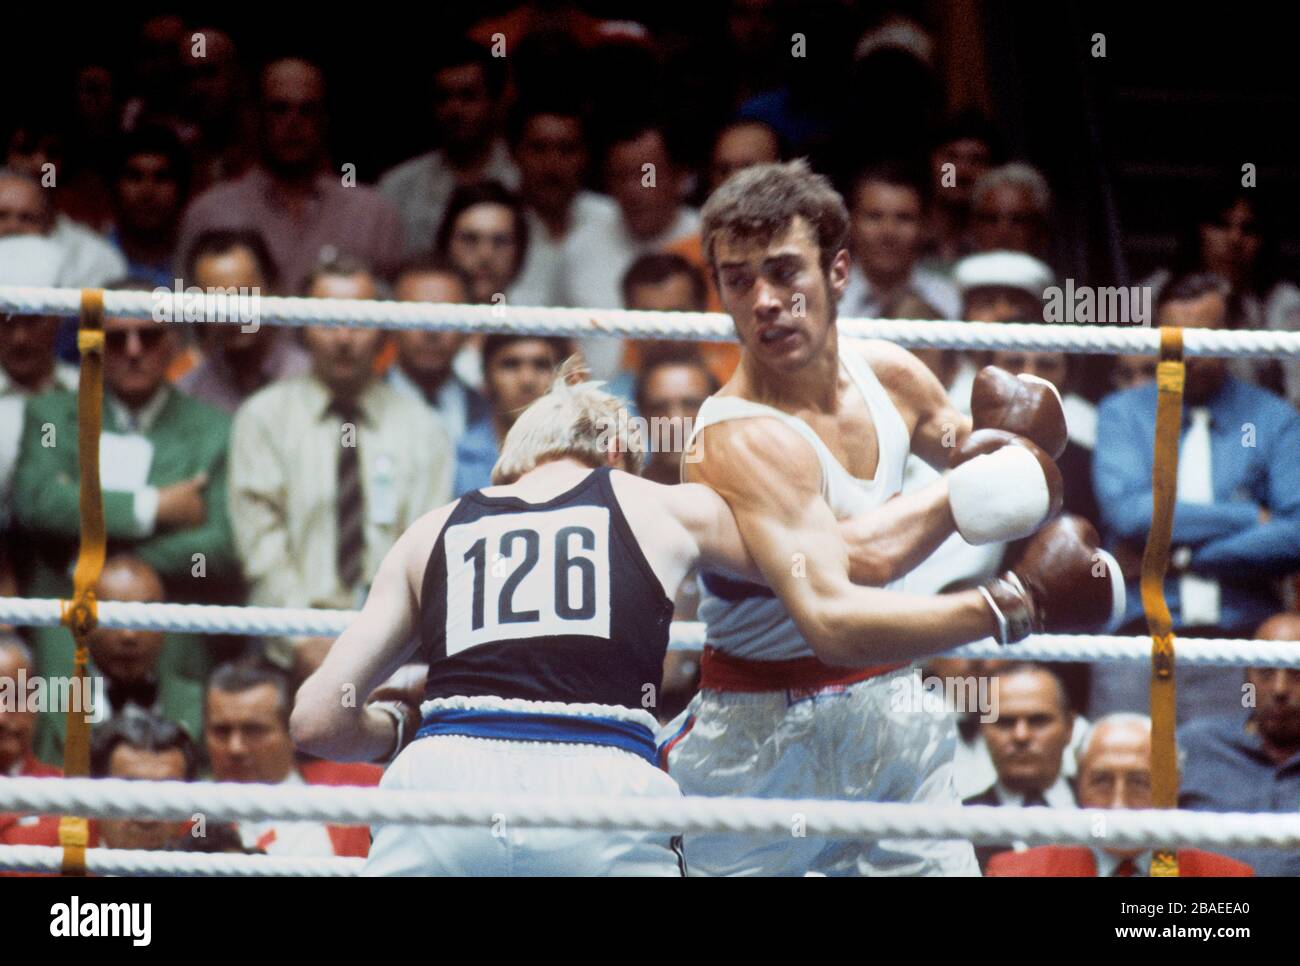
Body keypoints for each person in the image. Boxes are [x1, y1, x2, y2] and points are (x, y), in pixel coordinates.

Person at [292, 360, 1121, 876]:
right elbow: (841, 563)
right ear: (615, 450)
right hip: (599, 792)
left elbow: (317, 721)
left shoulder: (430, 530)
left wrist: (401, 732)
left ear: (513, 458)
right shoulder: (661, 506)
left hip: (441, 790)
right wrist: (979, 488)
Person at [657, 160, 1121, 877]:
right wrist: (1012, 603)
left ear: (838, 272)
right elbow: (840, 606)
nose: (766, 301)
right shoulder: (735, 436)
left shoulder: (891, 374)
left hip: (890, 709)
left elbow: (1004, 479)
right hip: (761, 737)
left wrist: (1026, 446)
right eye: (738, 279)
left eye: (785, 272)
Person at [1092, 273, 1300, 721]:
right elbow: (1131, 515)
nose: (1188, 352)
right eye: (1174, 337)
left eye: (1204, 335)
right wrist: (1248, 517)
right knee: (1121, 772)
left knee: (1226, 779)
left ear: (1233, 336)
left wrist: (1181, 558)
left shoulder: (1273, 418)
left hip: (1238, 643)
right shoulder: (1122, 414)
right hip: (1136, 637)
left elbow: (1295, 532)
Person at [228, 257, 452, 627]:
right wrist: (303, 637)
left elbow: (423, 551)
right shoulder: (263, 417)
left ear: (383, 330)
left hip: (393, 643)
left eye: (359, 320)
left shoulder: (423, 427)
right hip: (287, 640)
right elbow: (261, 550)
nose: (344, 338)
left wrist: (375, 646)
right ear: (302, 329)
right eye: (329, 319)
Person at [176, 57, 403, 295]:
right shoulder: (210, 213)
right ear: (255, 117)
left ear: (325, 119)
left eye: (307, 110)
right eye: (279, 109)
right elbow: (185, 319)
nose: (293, 123)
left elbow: (393, 321)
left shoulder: (373, 216)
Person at [988, 714, 1252, 876]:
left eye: (1139, 783)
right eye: (1101, 781)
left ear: (1174, 789)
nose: (1119, 805)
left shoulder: (1228, 876)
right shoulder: (1015, 873)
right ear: (1079, 785)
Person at [1178, 612, 1300, 877]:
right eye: (1266, 672)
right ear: (1247, 680)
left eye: (1296, 673)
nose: (1279, 689)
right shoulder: (1196, 744)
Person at [206, 662, 371, 857]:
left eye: (253, 730)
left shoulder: (361, 786)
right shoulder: (191, 816)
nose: (236, 748)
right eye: (221, 731)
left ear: (293, 732)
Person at [379, 38, 518, 259]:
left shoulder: (522, 182)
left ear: (496, 104)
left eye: (468, 96)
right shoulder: (399, 186)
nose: (454, 110)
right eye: (443, 98)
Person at [175, 228, 311, 413]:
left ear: (274, 290)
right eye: (216, 302)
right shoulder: (186, 393)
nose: (232, 314)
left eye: (244, 296)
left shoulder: (314, 381)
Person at [962, 664, 1078, 871]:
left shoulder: (1107, 808)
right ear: (983, 730)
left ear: (1069, 727)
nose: (1021, 735)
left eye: (1038, 721)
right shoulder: (958, 822)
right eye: (1004, 722)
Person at [386, 259, 491, 450]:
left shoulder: (492, 414)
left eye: (446, 316)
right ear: (390, 323)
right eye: (417, 314)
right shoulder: (356, 412)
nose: (432, 331)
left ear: (469, 326)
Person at [452, 334, 566, 497]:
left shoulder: (584, 454)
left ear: (561, 377)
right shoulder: (457, 456)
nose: (527, 380)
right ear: (486, 377)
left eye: (541, 365)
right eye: (510, 365)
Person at [843, 162, 960, 320]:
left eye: (904, 218)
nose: (888, 231)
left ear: (925, 226)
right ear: (851, 223)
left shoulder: (949, 300)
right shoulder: (824, 299)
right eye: (874, 217)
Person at [90, 712, 198, 852]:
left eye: (167, 798)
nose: (147, 820)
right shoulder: (54, 857)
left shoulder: (217, 857)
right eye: (130, 796)